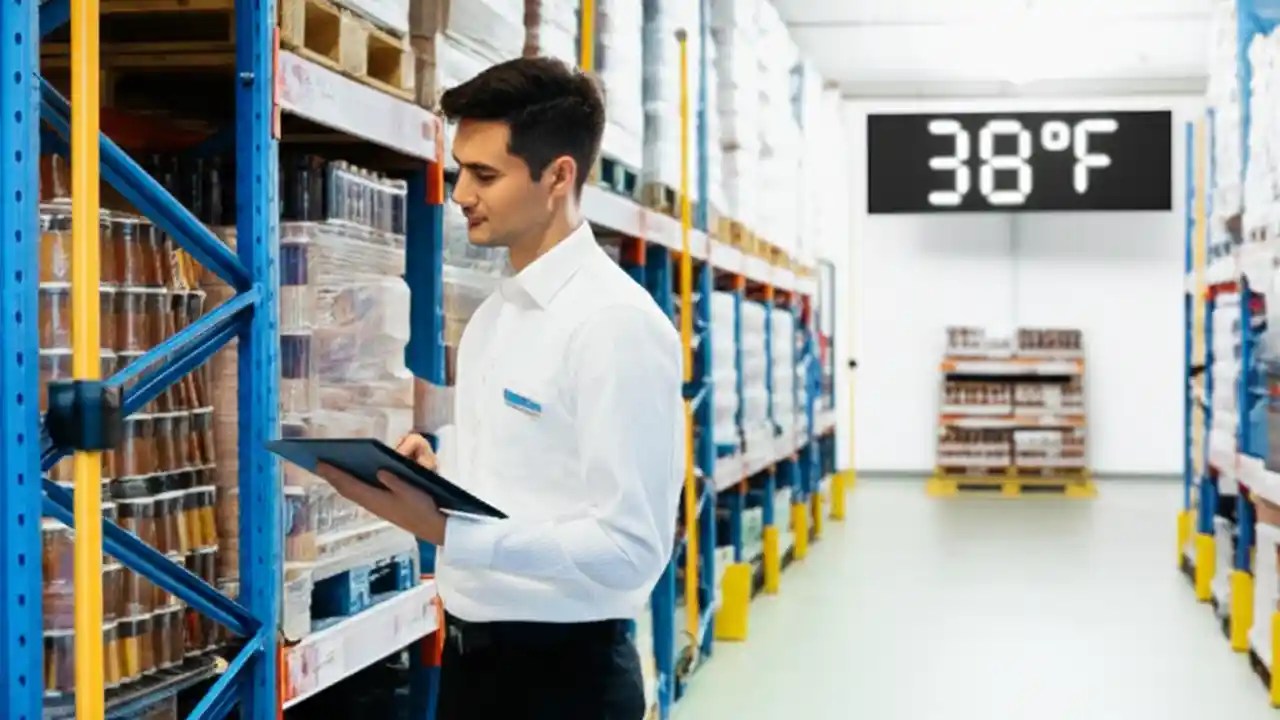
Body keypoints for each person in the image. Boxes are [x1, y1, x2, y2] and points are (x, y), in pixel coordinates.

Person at [315, 57, 684, 719]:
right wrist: (437, 479)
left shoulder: (615, 326)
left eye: (484, 174)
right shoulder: (496, 316)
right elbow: (523, 482)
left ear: (558, 178)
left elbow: (633, 551)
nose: (459, 193)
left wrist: (449, 532)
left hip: (565, 685)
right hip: (470, 668)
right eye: (460, 168)